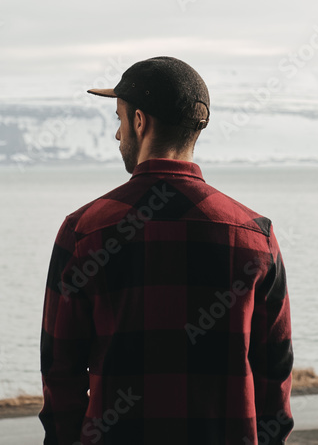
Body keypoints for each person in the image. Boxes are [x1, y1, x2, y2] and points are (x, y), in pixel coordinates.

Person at [39, 56, 293, 444]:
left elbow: (61, 372)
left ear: (140, 122)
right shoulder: (256, 236)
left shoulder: (83, 231)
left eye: (120, 120)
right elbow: (274, 371)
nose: (117, 134)